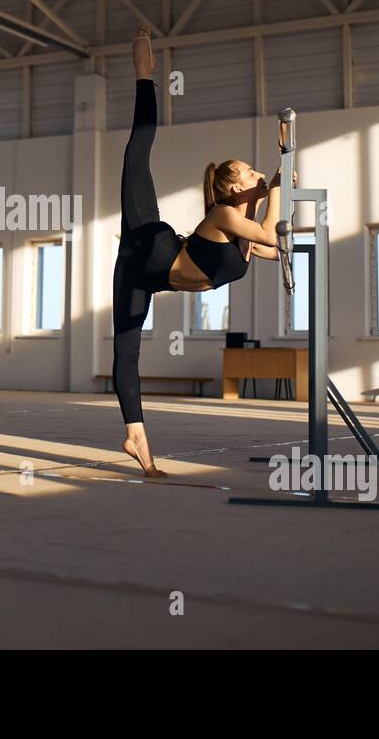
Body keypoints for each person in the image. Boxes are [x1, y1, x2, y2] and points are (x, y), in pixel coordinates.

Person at [114, 25, 286, 477]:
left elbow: (274, 246)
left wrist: (279, 190)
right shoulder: (223, 216)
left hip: (149, 277)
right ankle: (143, 72)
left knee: (128, 353)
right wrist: (279, 186)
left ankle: (138, 445)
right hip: (145, 243)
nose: (258, 175)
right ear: (234, 187)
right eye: (251, 172)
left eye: (257, 172)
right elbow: (271, 234)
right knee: (138, 150)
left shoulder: (239, 232)